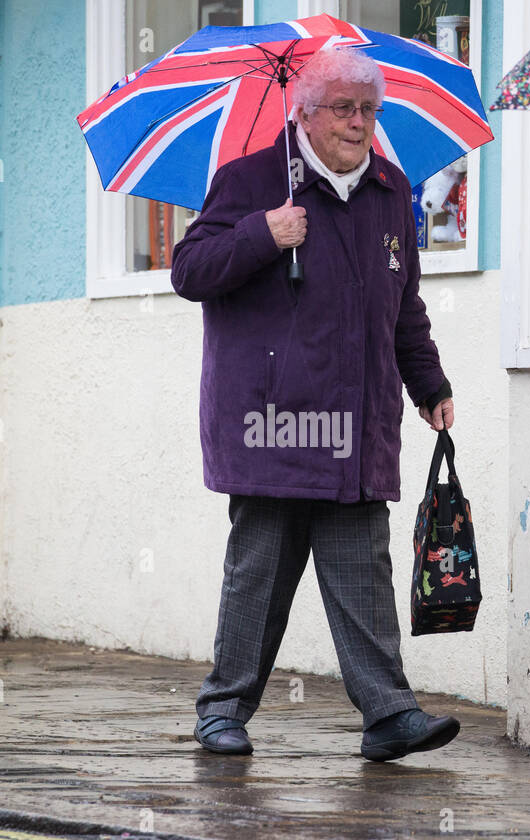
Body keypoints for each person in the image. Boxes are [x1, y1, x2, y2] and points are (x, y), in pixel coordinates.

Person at [171, 47, 460, 762]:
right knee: (259, 574)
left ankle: (389, 714)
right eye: (344, 109)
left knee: (363, 570)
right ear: (302, 112)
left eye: (369, 110)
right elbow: (191, 271)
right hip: (273, 421)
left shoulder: (392, 191)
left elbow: (403, 304)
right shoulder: (250, 182)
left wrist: (430, 384)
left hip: (357, 422)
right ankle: (222, 710)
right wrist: (262, 234)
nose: (359, 123)